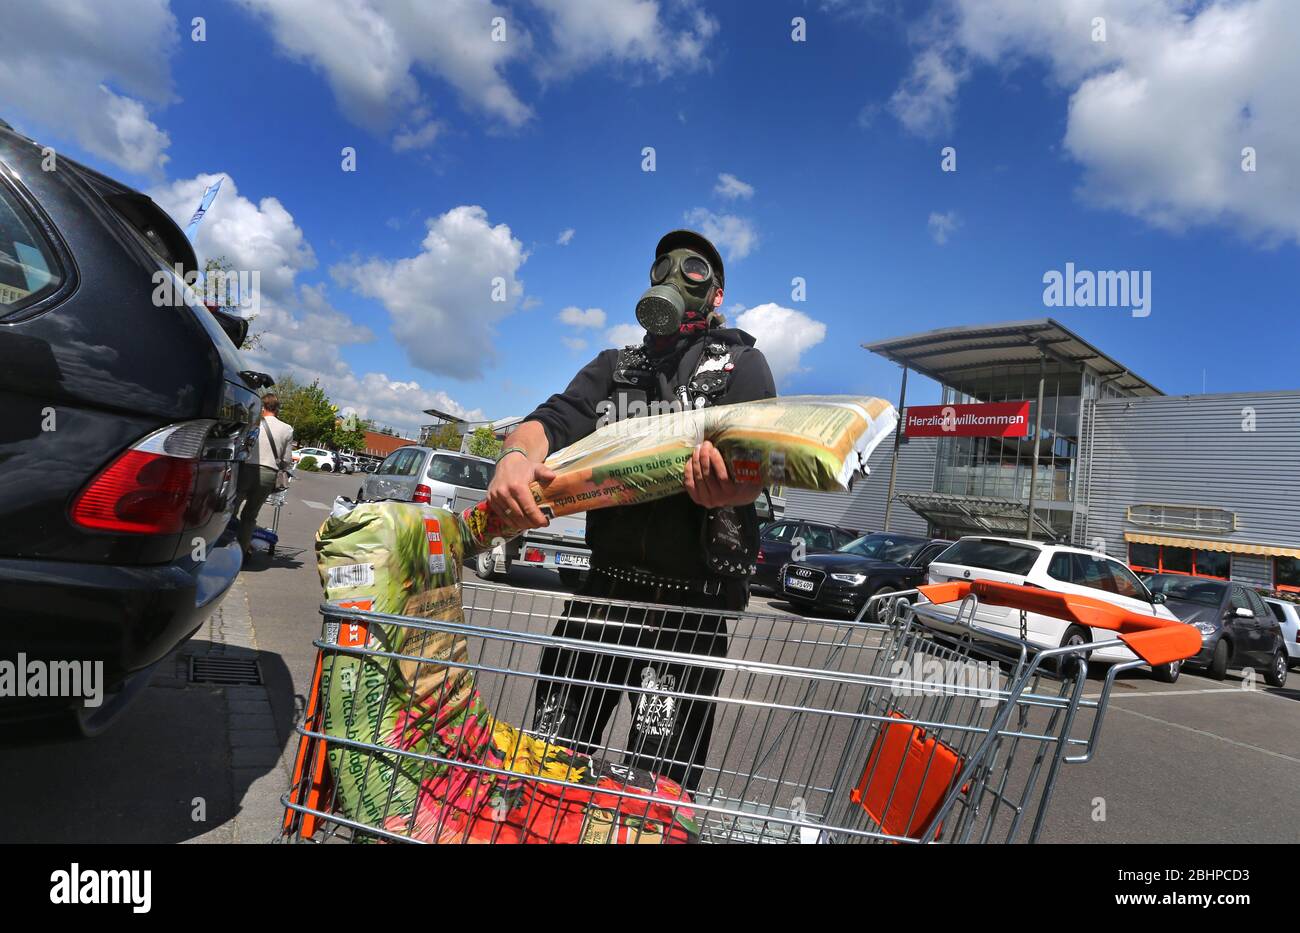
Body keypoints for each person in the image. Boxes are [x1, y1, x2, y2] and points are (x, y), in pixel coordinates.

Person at [487, 229, 776, 791]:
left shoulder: (741, 365)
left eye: (694, 269)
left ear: (717, 295)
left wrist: (735, 490)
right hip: (604, 594)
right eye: (663, 265)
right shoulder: (617, 368)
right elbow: (550, 419)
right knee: (550, 758)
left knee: (654, 787)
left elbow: (759, 461)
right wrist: (516, 458)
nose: (675, 275)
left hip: (689, 609)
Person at [236, 392, 294, 559]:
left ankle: (221, 544)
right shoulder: (287, 429)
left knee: (232, 508)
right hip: (268, 474)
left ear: (263, 407)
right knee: (250, 515)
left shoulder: (253, 423)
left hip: (246, 469)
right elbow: (286, 459)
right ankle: (241, 550)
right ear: (277, 409)